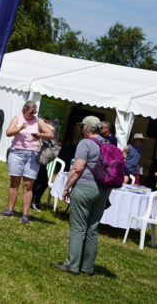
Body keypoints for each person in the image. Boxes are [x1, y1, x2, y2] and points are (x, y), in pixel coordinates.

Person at [54, 116, 111, 276]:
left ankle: (72, 265)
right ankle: (87, 267)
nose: (81, 130)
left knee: (78, 228)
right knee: (92, 229)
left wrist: (67, 187)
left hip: (85, 187)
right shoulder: (108, 144)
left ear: (87, 128)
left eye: (82, 127)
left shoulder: (85, 143)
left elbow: (77, 168)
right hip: (103, 190)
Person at [1, 100, 54, 224]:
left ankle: (25, 214)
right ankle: (10, 210)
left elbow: (51, 135)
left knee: (28, 185)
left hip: (32, 154)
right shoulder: (17, 118)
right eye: (31, 112)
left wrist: (39, 135)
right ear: (25, 110)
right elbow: (8, 133)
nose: (33, 114)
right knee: (14, 183)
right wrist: (20, 128)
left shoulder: (38, 121)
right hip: (17, 152)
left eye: (35, 112)